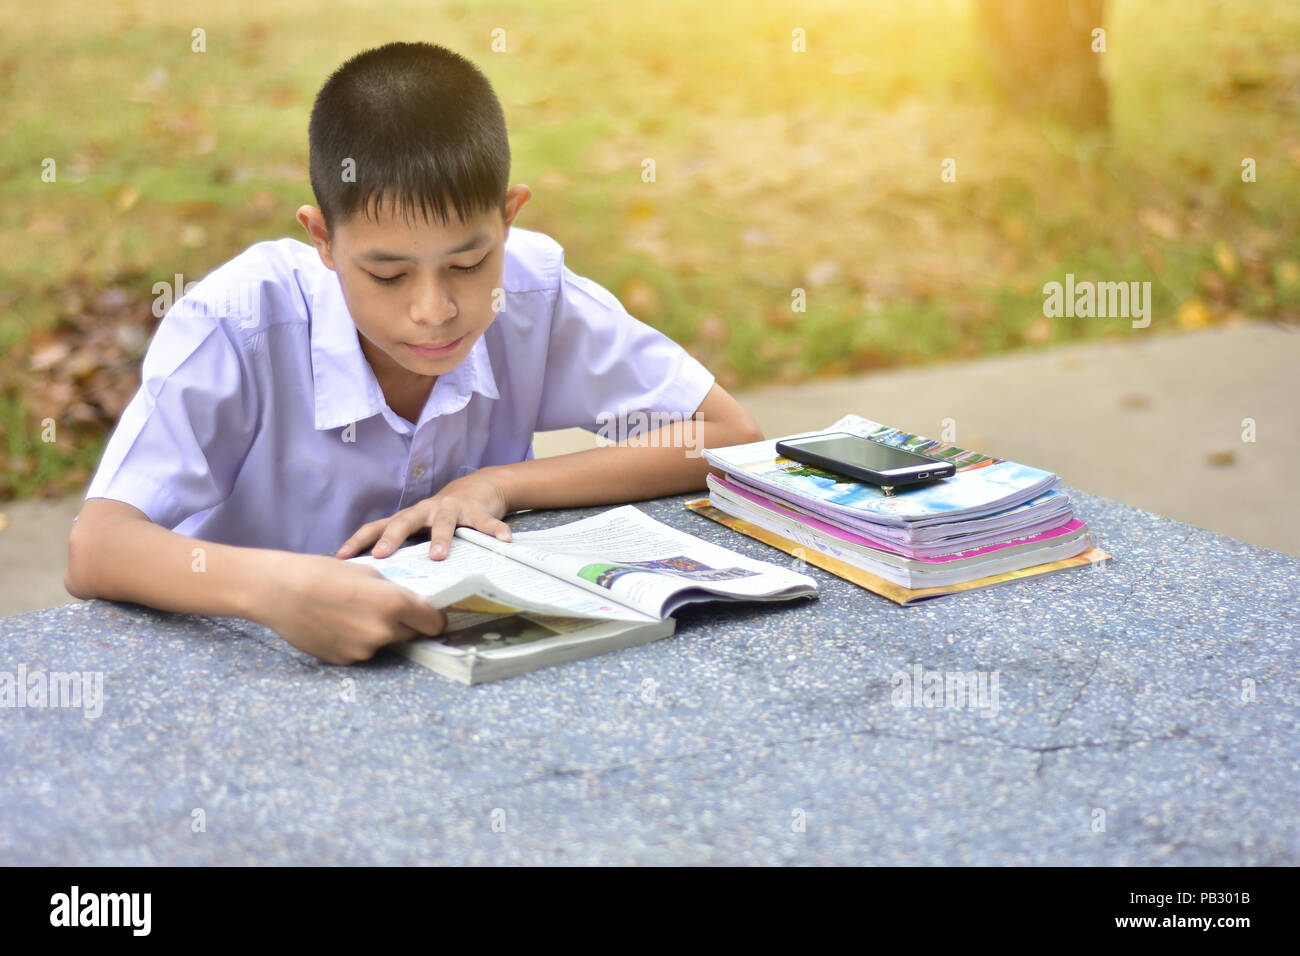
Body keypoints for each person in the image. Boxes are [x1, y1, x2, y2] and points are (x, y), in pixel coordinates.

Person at [65, 42, 762, 665]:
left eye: (468, 263)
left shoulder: (530, 293)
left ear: (509, 218)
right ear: (323, 240)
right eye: (388, 275)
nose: (434, 309)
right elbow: (96, 546)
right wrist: (275, 586)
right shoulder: (239, 322)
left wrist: (494, 485)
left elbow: (724, 435)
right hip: (251, 663)